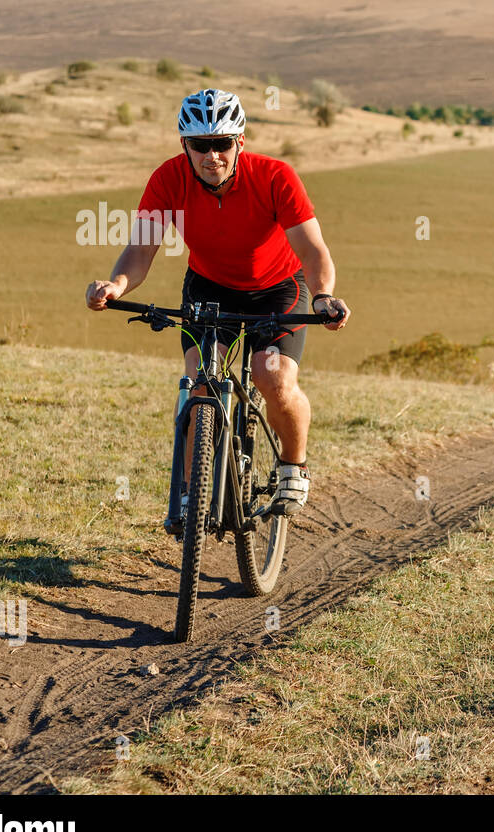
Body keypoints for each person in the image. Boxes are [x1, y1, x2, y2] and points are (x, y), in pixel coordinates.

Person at [86, 88, 350, 515]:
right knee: (200, 384)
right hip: (209, 287)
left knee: (275, 380)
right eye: (201, 145)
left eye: (222, 143)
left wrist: (322, 297)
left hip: (278, 288)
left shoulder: (275, 176)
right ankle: (193, 497)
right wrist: (116, 285)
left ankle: (293, 466)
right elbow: (140, 251)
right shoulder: (167, 180)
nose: (213, 156)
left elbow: (313, 249)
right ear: (184, 146)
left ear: (240, 142)